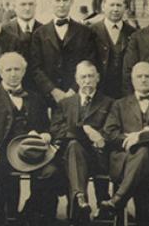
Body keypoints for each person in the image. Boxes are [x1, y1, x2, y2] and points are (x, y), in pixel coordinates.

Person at [0, 52, 59, 223]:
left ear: (23, 72)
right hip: (0, 151)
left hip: (29, 153)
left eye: (17, 69)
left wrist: (45, 134)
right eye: (8, 70)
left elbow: (45, 127)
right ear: (0, 72)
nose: (13, 74)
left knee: (51, 172)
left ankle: (29, 212)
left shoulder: (36, 98)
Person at [98, 62, 149, 226]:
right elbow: (109, 133)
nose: (143, 79)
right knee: (143, 162)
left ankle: (118, 200)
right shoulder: (119, 104)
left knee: (144, 153)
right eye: (139, 76)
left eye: (147, 76)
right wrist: (128, 140)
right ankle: (135, 214)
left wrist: (145, 134)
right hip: (124, 159)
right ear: (132, 79)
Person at [50, 61, 117, 223]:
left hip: (99, 156)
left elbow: (111, 131)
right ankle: (80, 198)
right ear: (76, 79)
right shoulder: (65, 103)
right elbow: (55, 130)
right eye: (83, 77)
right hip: (70, 157)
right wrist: (84, 131)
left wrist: (96, 135)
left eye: (91, 76)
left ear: (98, 78)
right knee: (74, 147)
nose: (87, 81)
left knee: (74, 147)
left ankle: (79, 200)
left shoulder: (109, 103)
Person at [28, 0, 99, 104]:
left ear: (71, 2)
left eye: (65, 0)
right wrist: (53, 91)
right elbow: (35, 68)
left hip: (77, 97)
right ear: (51, 2)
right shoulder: (39, 34)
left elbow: (90, 62)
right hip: (47, 99)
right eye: (57, 0)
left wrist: (73, 90)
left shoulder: (85, 32)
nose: (61, 4)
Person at [90, 0, 137, 100]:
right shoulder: (91, 32)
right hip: (99, 92)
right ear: (103, 6)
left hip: (124, 94)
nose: (115, 9)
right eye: (112, 5)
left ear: (125, 8)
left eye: (119, 5)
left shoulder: (133, 33)